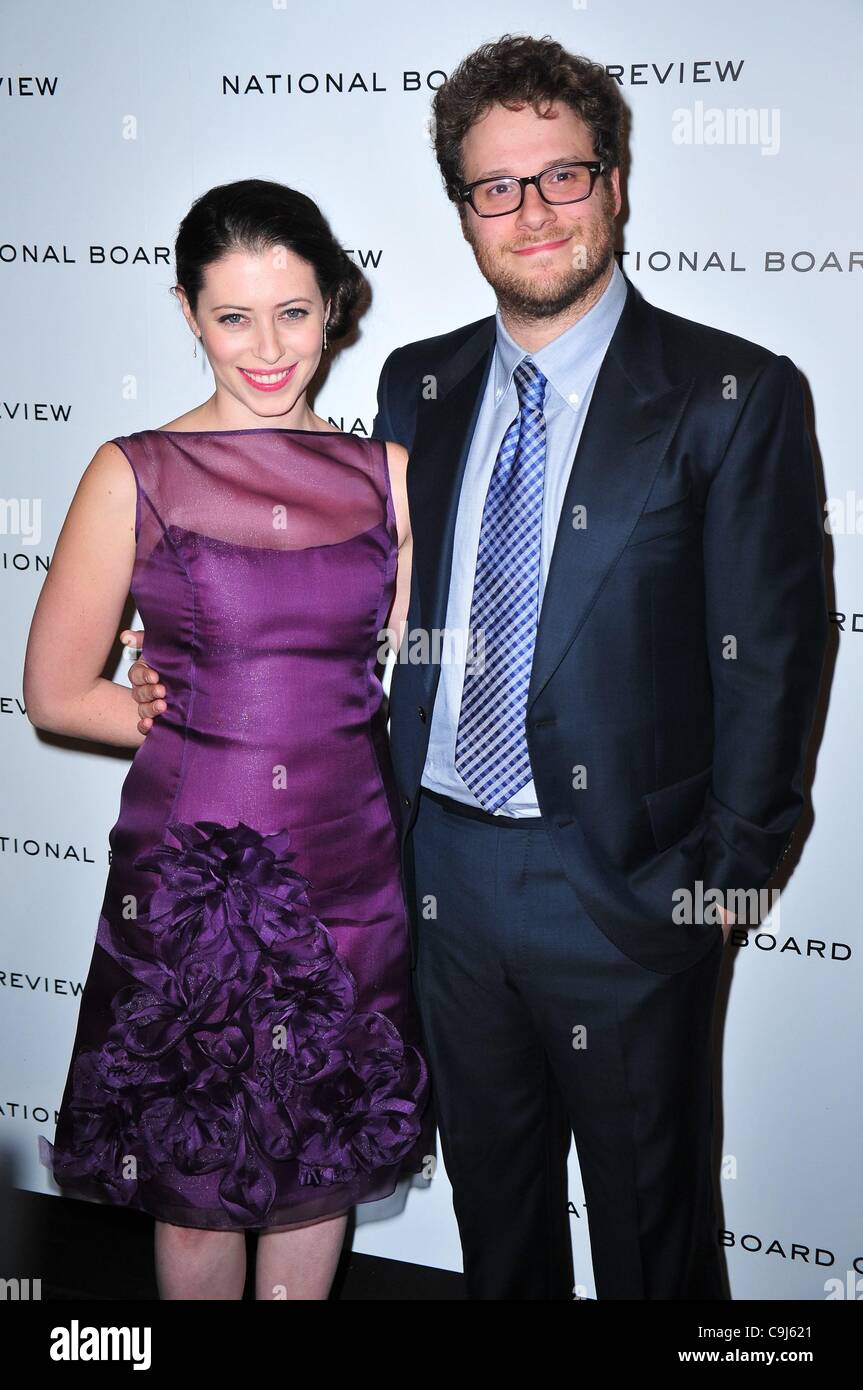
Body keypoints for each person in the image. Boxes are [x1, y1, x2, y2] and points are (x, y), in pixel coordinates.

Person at [127, 36, 829, 1300]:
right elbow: (337, 593)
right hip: (436, 880)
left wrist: (705, 902)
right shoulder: (419, 384)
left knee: (653, 1247)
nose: (532, 211)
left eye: (562, 175)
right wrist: (178, 649)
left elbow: (775, 665)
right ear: (461, 210)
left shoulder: (731, 396)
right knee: (498, 1238)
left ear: (615, 184)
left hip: (627, 896)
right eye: (494, 187)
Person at [24, 178, 431, 1301]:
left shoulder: (387, 479)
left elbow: (425, 683)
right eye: (233, 316)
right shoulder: (136, 471)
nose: (266, 347)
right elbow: (58, 691)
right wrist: (164, 708)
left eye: (293, 312)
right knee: (195, 1187)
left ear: (336, 306)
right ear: (188, 313)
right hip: (195, 880)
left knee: (321, 1167)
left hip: (351, 871)